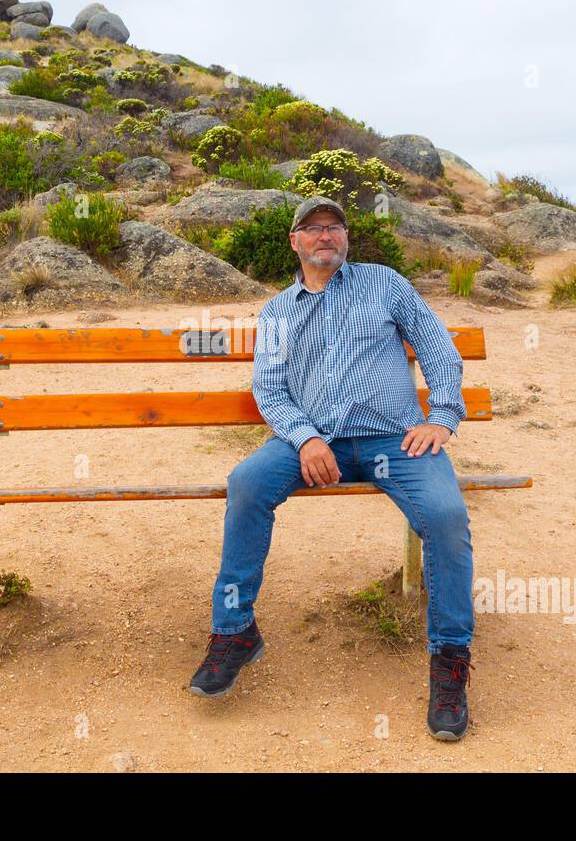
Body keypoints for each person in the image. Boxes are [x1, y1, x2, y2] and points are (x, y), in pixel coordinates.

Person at [188, 195, 476, 741]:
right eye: (313, 227)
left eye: (335, 226)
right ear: (294, 241)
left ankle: (449, 661)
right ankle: (234, 631)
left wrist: (443, 415)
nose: (326, 234)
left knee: (445, 516)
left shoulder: (384, 284)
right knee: (246, 484)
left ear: (346, 239)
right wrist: (306, 438)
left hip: (393, 439)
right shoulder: (277, 311)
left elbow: (438, 346)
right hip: (311, 441)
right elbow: (270, 389)